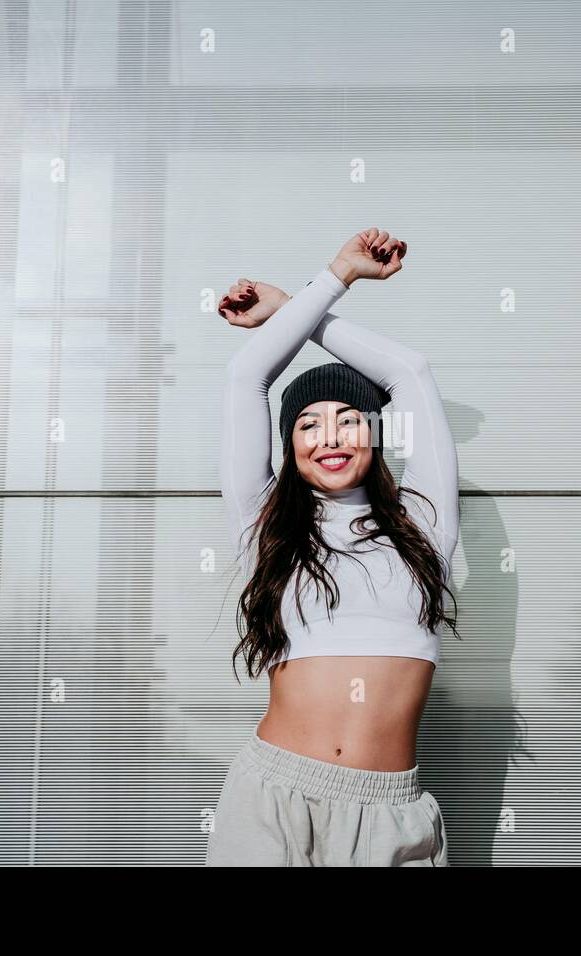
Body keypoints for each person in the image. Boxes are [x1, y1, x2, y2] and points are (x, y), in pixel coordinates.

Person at [205, 227, 460, 866]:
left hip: (389, 814)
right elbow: (247, 374)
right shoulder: (266, 525)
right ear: (289, 445)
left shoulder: (424, 525)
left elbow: (409, 372)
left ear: (375, 436)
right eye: (308, 424)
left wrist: (301, 305)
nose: (330, 435)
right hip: (272, 799)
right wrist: (333, 277)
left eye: (349, 418)